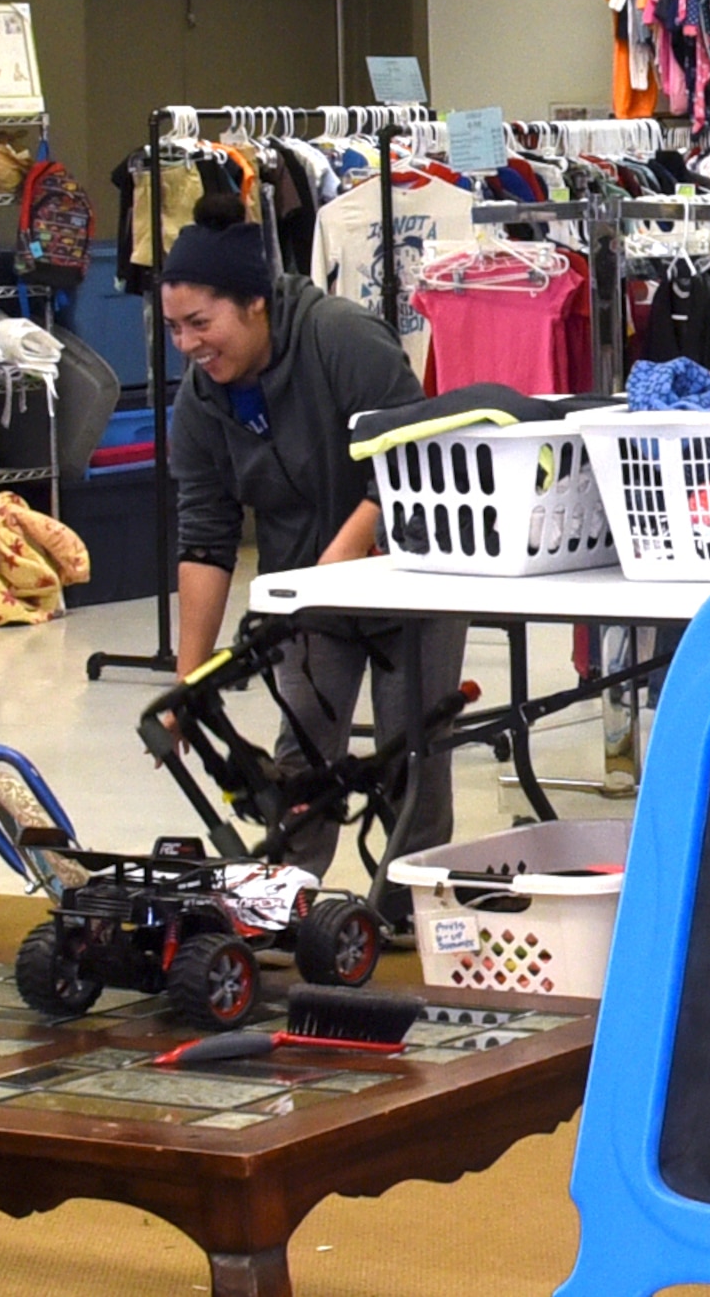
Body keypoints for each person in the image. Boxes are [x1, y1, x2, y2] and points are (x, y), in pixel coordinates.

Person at [160, 196, 467, 913]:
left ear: (257, 305)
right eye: (175, 329)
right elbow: (204, 539)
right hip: (309, 597)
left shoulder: (342, 338)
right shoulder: (200, 404)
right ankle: (285, 904)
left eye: (200, 323)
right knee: (303, 758)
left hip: (410, 579)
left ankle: (407, 913)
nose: (188, 345)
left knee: (410, 758)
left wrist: (335, 565)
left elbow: (406, 459)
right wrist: (188, 685)